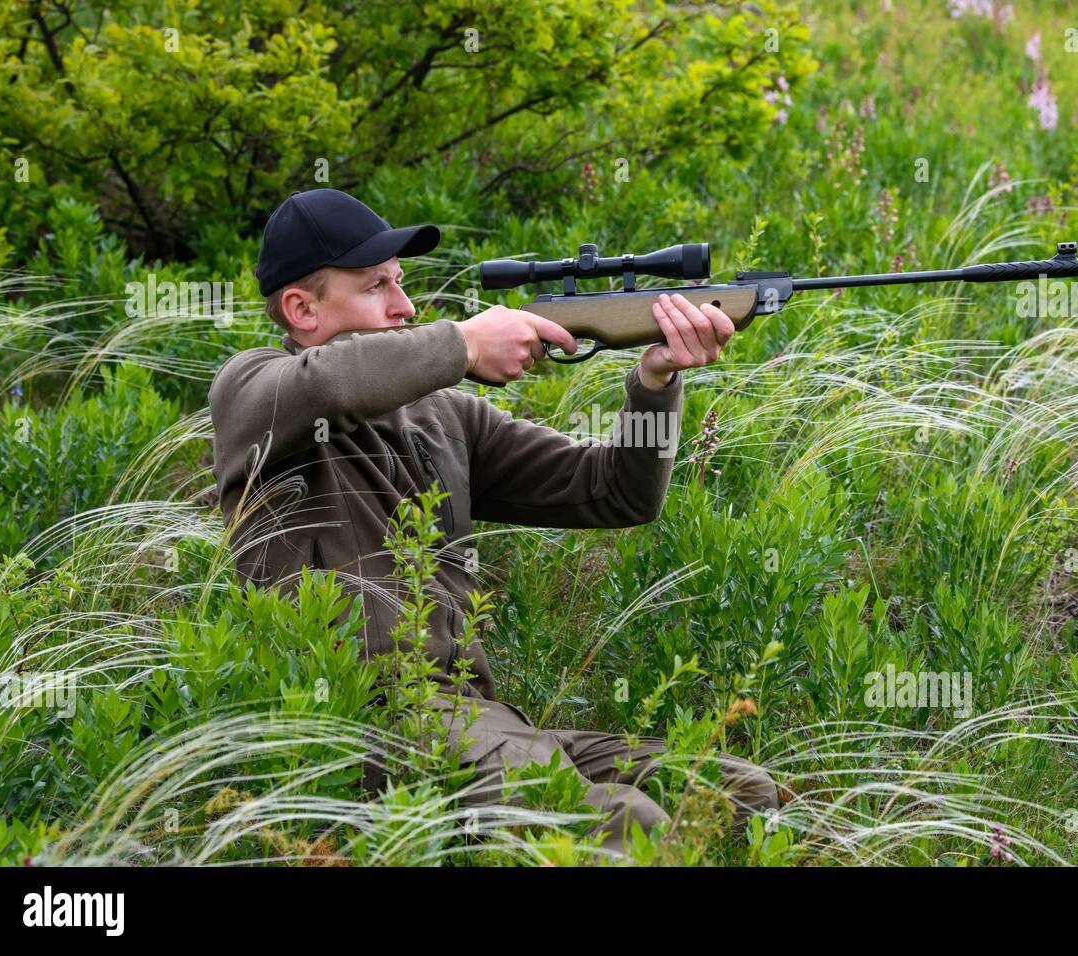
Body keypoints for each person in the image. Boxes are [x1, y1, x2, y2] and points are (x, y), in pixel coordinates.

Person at [208, 188, 779, 860]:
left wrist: (655, 382)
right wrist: (464, 341)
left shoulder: (443, 415)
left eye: (401, 282)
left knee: (736, 790)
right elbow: (331, 383)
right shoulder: (252, 393)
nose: (406, 306)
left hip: (480, 719)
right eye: (375, 287)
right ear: (301, 309)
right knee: (625, 822)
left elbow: (614, 494)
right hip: (368, 720)